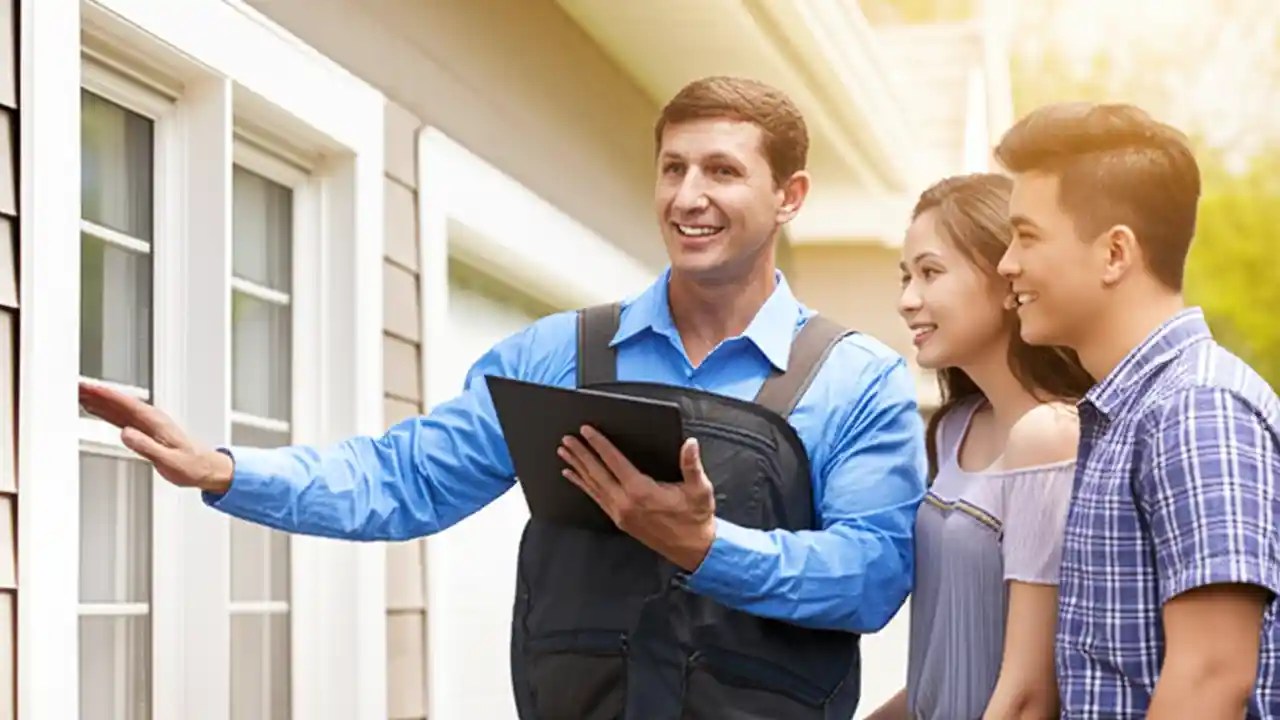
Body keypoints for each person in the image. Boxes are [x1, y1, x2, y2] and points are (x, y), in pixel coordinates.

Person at [79, 75, 927, 719]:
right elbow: (404, 479)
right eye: (672, 167)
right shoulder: (557, 354)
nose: (687, 196)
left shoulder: (855, 380)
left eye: (721, 171)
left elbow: (874, 576)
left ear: (789, 196)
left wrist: (707, 547)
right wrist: (222, 470)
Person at [994, 101, 1280, 718]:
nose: (1006, 263)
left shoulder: (1196, 407)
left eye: (1027, 235)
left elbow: (1211, 677)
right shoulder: (1128, 412)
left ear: (1115, 254)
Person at [863, 173, 1092, 720]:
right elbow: (939, 672)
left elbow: (1029, 696)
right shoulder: (954, 427)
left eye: (930, 273)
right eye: (905, 277)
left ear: (1006, 276)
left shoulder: (1055, 437)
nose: (907, 300)